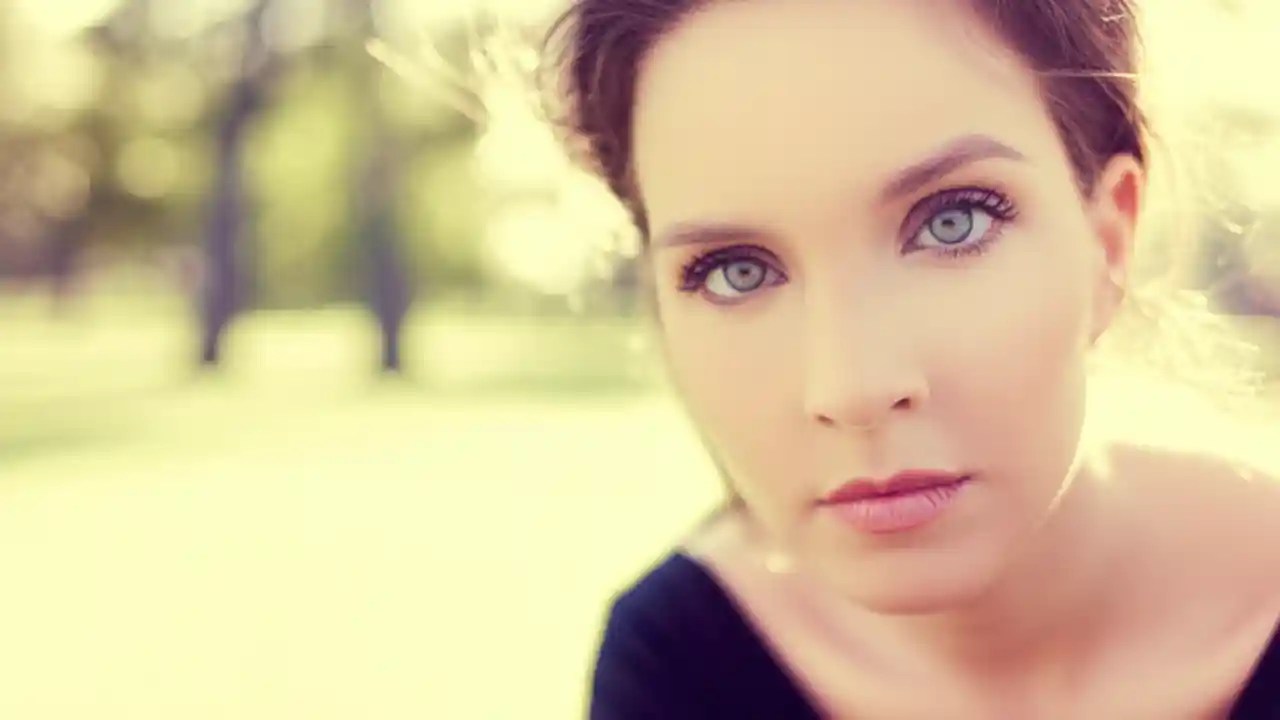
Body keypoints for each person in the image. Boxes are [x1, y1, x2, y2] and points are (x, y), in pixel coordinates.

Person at [542, 0, 1280, 716]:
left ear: (1109, 241)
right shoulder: (681, 666)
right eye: (736, 271)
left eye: (953, 223)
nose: (852, 389)